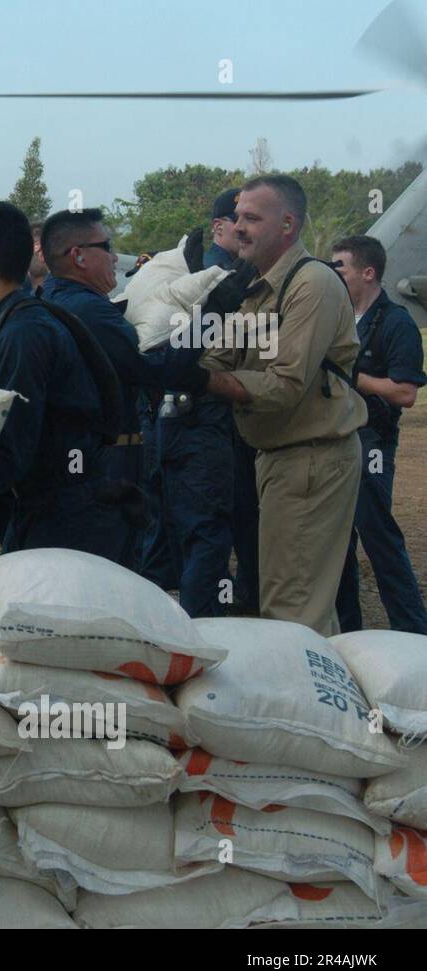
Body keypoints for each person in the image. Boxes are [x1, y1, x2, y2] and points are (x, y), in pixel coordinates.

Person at [0, 199, 127, 616]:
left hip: (70, 519)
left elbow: (11, 451)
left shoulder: (24, 332)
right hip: (47, 508)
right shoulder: (11, 325)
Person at [202, 174, 367, 636]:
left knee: (292, 609)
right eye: (236, 217)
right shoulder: (253, 289)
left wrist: (199, 379)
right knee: (302, 602)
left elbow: (284, 385)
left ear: (289, 224)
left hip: (311, 457)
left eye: (252, 217)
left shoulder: (311, 283)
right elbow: (217, 354)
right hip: (280, 458)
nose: (238, 227)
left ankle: (310, 707)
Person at [39, 208, 207, 572]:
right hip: (107, 467)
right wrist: (209, 318)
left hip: (75, 465)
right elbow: (158, 371)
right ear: (78, 255)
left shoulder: (53, 297)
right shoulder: (91, 311)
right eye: (107, 246)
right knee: (108, 571)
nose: (115, 257)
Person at [141, 188, 246, 618]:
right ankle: (204, 629)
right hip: (200, 420)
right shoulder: (215, 279)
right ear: (219, 226)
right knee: (205, 533)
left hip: (179, 420)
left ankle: (163, 622)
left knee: (171, 533)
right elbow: (185, 354)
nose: (246, 229)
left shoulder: (205, 271)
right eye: (241, 220)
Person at [332, 234, 427, 634]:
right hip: (336, 438)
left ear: (367, 272)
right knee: (337, 543)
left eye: (340, 266)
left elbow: (405, 393)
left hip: (373, 441)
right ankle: (350, 633)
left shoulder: (396, 323)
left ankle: (412, 631)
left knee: (377, 534)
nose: (333, 272)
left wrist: (357, 377)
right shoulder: (337, 318)